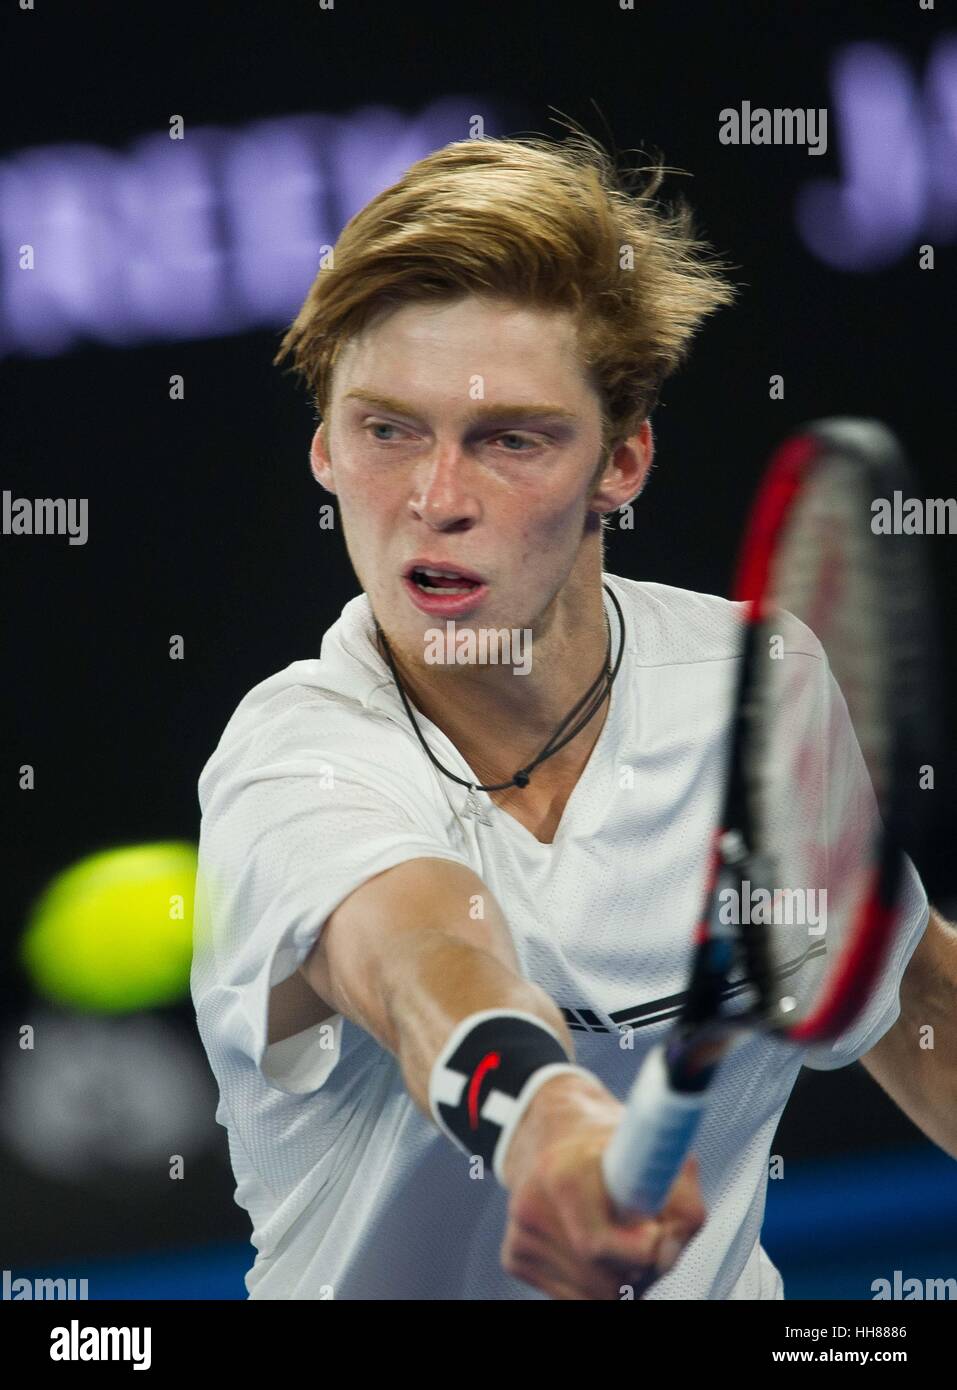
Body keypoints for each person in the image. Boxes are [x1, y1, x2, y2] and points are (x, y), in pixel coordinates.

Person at [190, 130, 939, 1300]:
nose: (436, 501)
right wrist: (543, 1118)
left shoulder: (758, 689)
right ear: (326, 448)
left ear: (623, 463)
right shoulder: (294, 761)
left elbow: (908, 988)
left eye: (510, 439)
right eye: (387, 431)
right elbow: (426, 959)